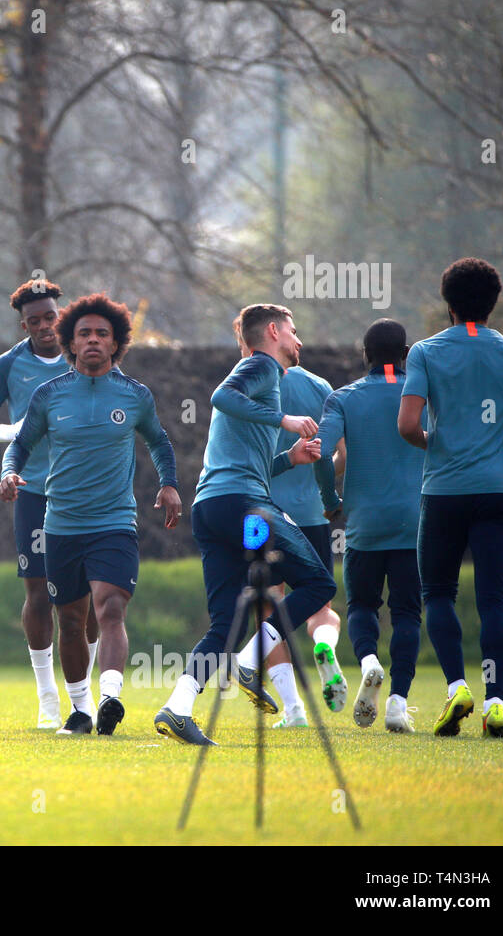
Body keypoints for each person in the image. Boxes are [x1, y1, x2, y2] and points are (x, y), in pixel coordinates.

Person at [0, 294, 181, 736]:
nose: (94, 340)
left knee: (111, 607)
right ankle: (79, 711)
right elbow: (20, 445)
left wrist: (169, 483)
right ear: (71, 343)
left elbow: (159, 442)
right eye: (85, 334)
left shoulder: (135, 395)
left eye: (103, 333)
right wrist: (9, 472)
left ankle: (110, 697)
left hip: (114, 522)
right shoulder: (49, 395)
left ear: (116, 342)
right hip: (60, 525)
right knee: (70, 619)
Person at [155, 304, 335, 746]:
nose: (298, 341)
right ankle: (253, 660)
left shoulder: (262, 376)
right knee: (318, 583)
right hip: (245, 510)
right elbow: (219, 396)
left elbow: (245, 465)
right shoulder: (261, 367)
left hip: (214, 510)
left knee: (226, 624)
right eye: (293, 332)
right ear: (273, 332)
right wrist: (285, 420)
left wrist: (290, 457)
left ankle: (177, 708)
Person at [398, 257, 503, 738]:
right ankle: (496, 702)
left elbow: (407, 426)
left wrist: (436, 441)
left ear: (448, 302)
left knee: (437, 593)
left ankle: (458, 686)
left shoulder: (424, 352)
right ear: (494, 302)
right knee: (493, 600)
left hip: (443, 492)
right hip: (498, 493)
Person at [0, 278, 97, 728]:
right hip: (33, 490)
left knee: (89, 597)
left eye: (51, 317)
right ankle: (47, 697)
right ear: (23, 325)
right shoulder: (9, 364)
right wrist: (19, 431)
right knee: (39, 592)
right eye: (34, 321)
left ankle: (86, 697)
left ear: (61, 315)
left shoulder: (85, 354)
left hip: (85, 490)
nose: (45, 327)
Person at [229, 320, 345, 728]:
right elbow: (338, 453)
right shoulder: (320, 387)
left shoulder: (246, 386)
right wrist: (327, 496)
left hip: (262, 511)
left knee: (267, 604)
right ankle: (324, 645)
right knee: (320, 605)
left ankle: (294, 708)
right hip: (312, 512)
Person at [315, 319, 424, 733]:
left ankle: (369, 662)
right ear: (406, 354)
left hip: (363, 523)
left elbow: (321, 453)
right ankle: (397, 705)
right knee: (408, 613)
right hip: (415, 524)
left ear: (365, 355)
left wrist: (330, 501)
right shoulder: (423, 396)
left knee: (362, 607)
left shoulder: (342, 399)